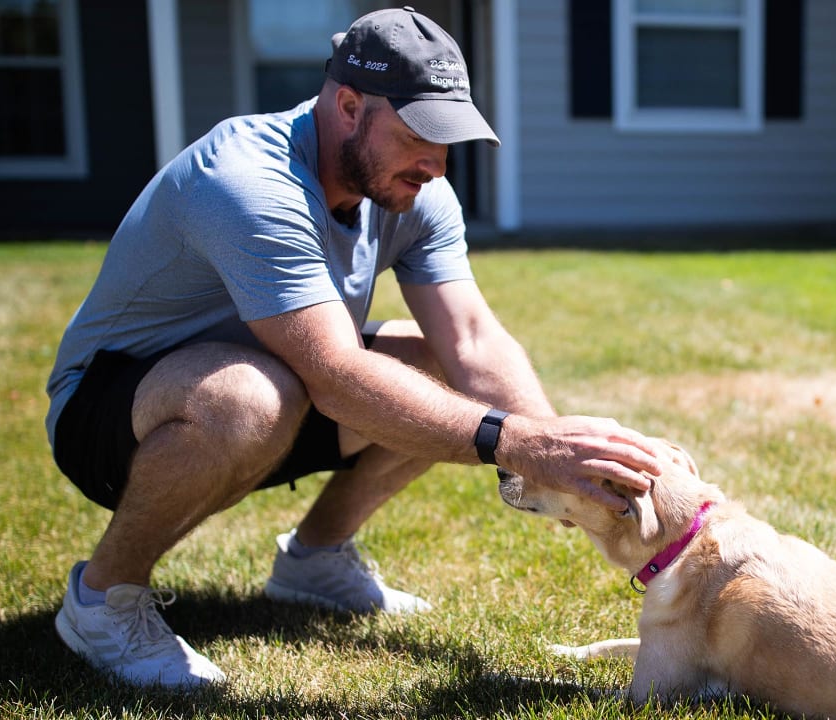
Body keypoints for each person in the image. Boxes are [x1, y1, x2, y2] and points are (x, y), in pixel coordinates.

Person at [44, 7, 662, 690]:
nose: (436, 163)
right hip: (114, 415)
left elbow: (471, 341)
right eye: (421, 135)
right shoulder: (250, 180)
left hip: (275, 391)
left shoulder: (416, 192)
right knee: (251, 395)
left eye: (449, 139)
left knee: (429, 367)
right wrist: (518, 444)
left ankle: (314, 559)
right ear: (347, 105)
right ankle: (104, 600)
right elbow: (335, 377)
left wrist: (559, 454)